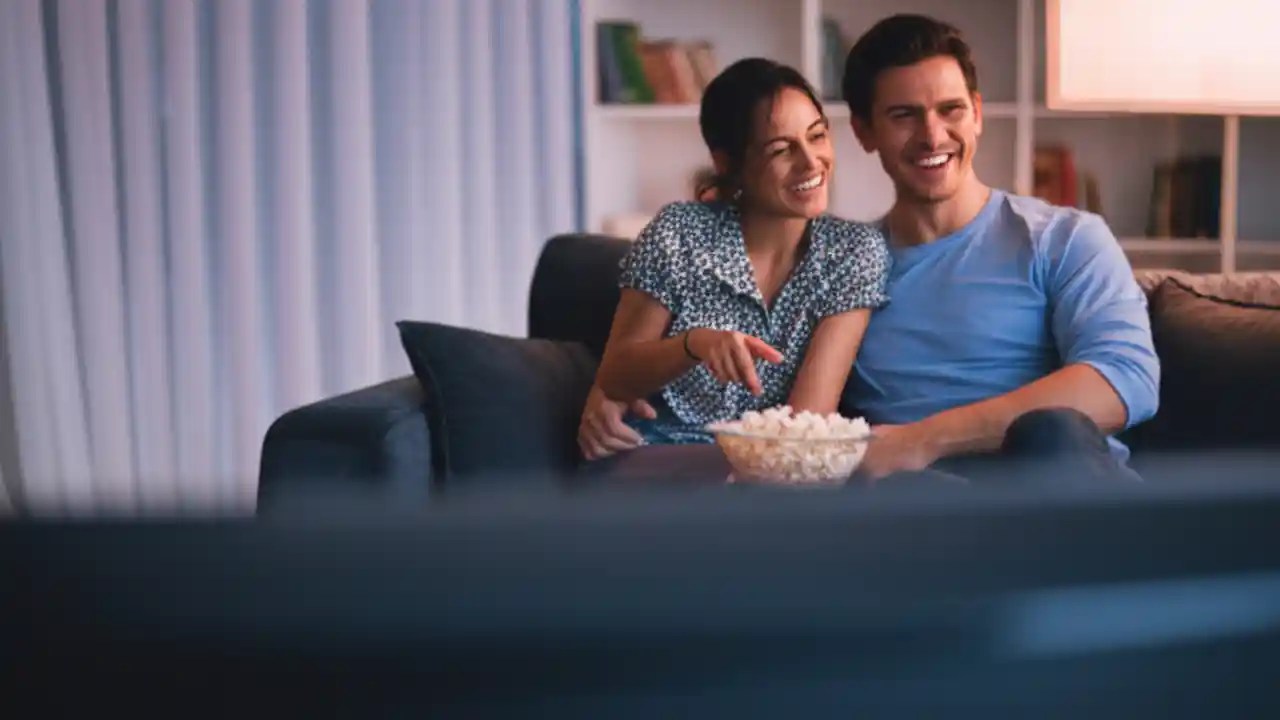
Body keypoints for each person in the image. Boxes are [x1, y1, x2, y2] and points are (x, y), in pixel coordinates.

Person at [579, 15, 1160, 486]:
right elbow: (795, 414)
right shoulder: (845, 262)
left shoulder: (1065, 238)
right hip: (920, 507)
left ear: (977, 114)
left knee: (1053, 433)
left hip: (1051, 480)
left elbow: (1124, 381)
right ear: (862, 132)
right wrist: (607, 393)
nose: (933, 136)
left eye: (951, 110)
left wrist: (923, 439)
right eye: (904, 116)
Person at [579, 57, 890, 460]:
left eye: (817, 136)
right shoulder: (680, 231)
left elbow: (806, 425)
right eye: (781, 149)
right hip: (652, 458)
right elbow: (616, 377)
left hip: (767, 472)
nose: (811, 162)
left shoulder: (854, 252)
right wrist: (692, 345)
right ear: (729, 164)